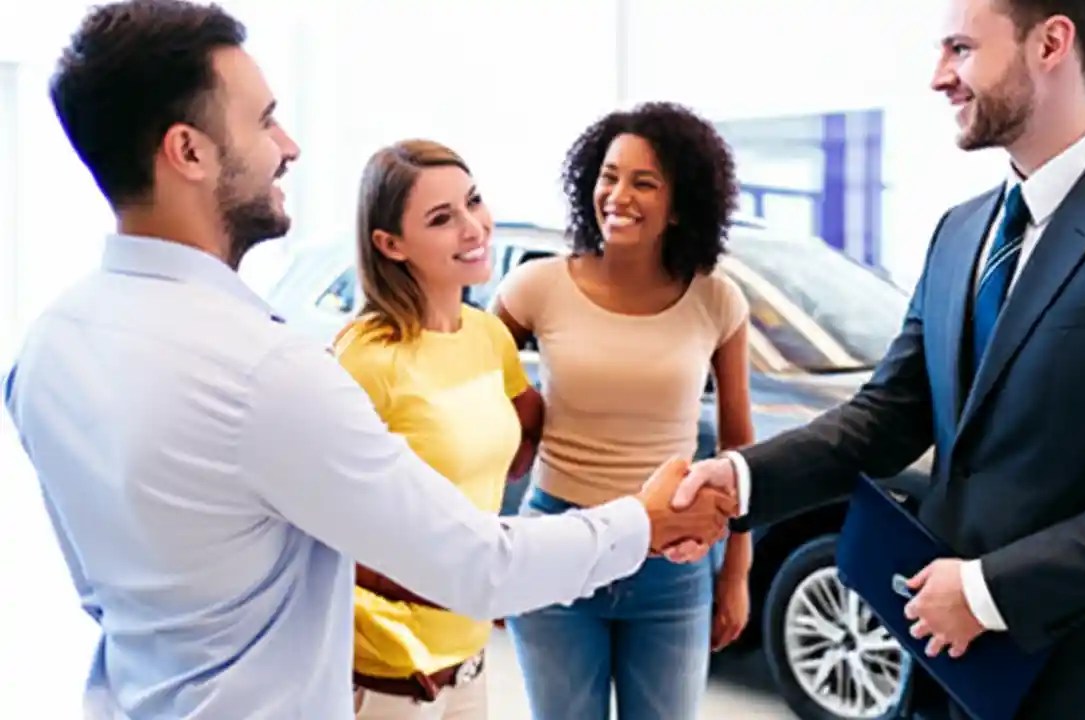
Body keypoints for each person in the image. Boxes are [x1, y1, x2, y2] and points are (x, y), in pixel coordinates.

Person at [1, 2, 735, 718]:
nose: (288, 145)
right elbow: (478, 567)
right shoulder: (270, 371)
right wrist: (643, 519)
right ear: (188, 152)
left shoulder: (47, 349)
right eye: (263, 120)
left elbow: (99, 594)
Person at [672, 1, 1085, 718]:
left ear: (1051, 42)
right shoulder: (961, 231)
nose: (938, 78)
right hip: (947, 673)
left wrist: (988, 591)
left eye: (960, 49)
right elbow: (887, 416)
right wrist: (737, 482)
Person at [491, 101, 754, 719]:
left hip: (673, 560)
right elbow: (473, 404)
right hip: (557, 545)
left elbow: (740, 451)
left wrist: (735, 572)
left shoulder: (717, 300)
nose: (618, 194)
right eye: (609, 176)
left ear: (680, 202)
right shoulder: (535, 288)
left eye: (644, 181)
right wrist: (491, 553)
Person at [333, 139, 541, 719]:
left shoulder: (488, 335)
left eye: (473, 202)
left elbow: (520, 431)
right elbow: (319, 524)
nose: (473, 228)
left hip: (469, 658)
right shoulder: (364, 358)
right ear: (389, 244)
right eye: (442, 219)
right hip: (381, 673)